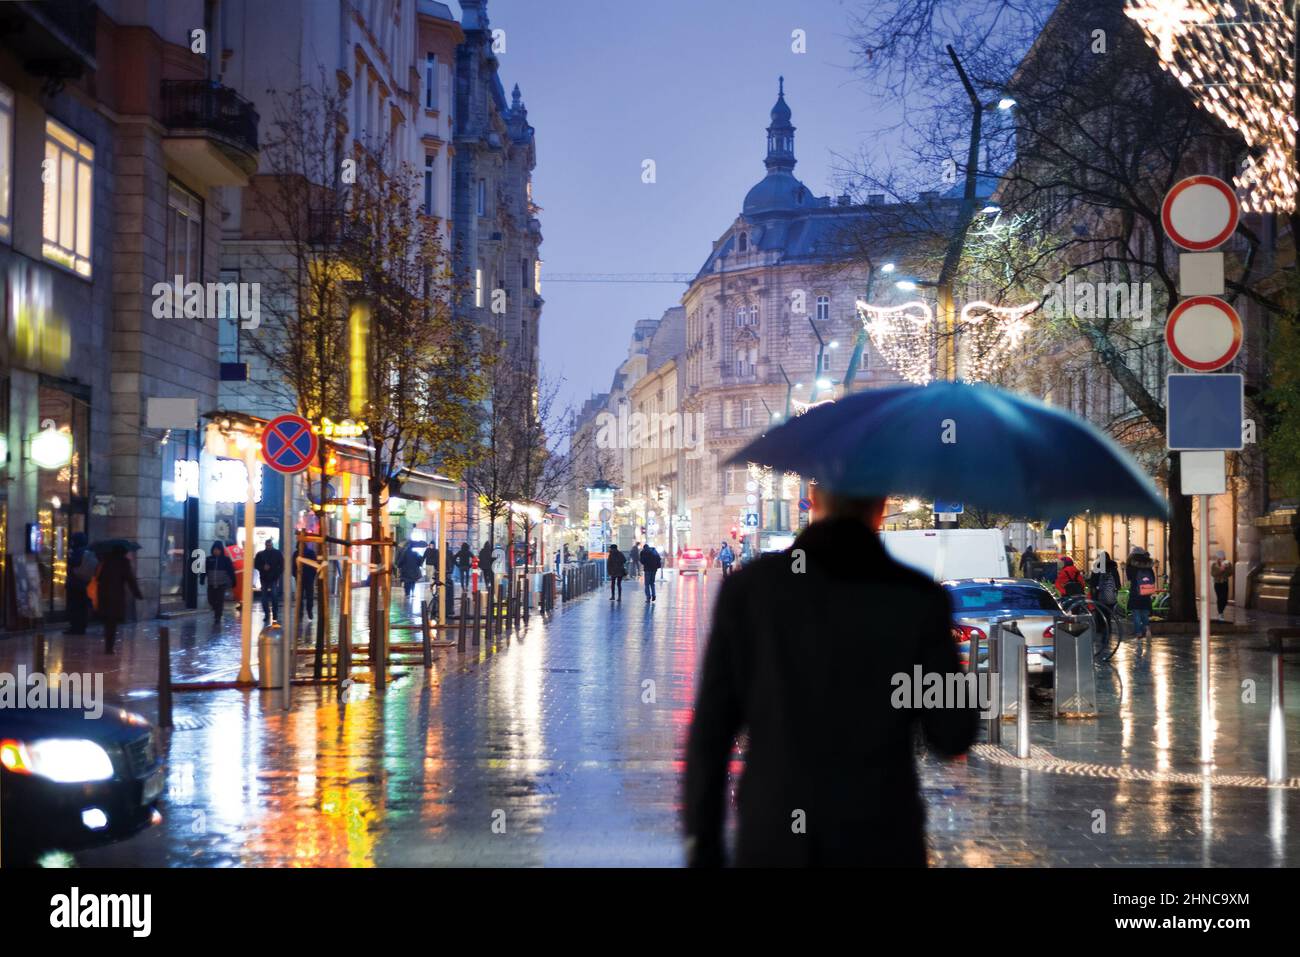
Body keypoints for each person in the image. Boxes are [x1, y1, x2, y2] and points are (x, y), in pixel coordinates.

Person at [684, 485, 978, 867]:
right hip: (880, 838)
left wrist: (704, 847)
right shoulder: (917, 598)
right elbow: (954, 733)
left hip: (774, 837)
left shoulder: (751, 590)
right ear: (881, 506)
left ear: (814, 499)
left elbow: (710, 733)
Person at [95, 544, 143, 655]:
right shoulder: (123, 562)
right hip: (116, 596)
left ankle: (108, 645)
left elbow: (98, 576)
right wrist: (137, 593)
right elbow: (130, 579)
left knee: (108, 622)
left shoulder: (105, 561)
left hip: (103, 594)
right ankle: (109, 648)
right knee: (112, 623)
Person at [64, 531, 94, 635]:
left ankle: (75, 627)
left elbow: (72, 564)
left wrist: (69, 556)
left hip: (74, 583)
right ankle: (82, 626)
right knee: (83, 606)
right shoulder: (89, 551)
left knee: (74, 606)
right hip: (85, 583)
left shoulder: (76, 551)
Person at [1126, 547, 1157, 639]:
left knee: (1136, 614)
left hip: (1135, 592)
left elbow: (1129, 578)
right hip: (1146, 593)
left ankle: (1138, 633)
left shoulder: (1131, 566)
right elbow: (1153, 579)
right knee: (1144, 614)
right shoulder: (1148, 566)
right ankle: (1147, 630)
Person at [205, 541, 236, 626]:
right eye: (215, 549)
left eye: (218, 550)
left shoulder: (226, 560)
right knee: (211, 600)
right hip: (211, 583)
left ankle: (217, 616)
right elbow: (204, 570)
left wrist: (233, 581)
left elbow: (231, 571)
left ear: (221, 550)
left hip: (221, 584)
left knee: (219, 600)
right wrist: (202, 578)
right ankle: (216, 610)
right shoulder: (209, 559)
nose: (216, 551)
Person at [253, 538, 284, 623]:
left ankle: (274, 613)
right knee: (265, 597)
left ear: (272, 545)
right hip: (265, 578)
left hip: (272, 577)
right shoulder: (261, 554)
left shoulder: (276, 553)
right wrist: (263, 568)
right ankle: (268, 614)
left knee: (273, 596)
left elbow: (281, 565)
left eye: (270, 545)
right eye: (267, 545)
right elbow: (256, 564)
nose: (269, 547)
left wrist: (276, 573)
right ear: (266, 545)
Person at [1088, 549, 1120, 616]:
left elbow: (1092, 583)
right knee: (1109, 615)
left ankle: (1101, 626)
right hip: (1111, 596)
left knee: (1100, 615)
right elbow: (1118, 583)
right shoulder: (1113, 568)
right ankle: (1108, 625)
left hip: (1099, 596)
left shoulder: (1097, 568)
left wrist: (1093, 596)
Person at [1211, 550, 1232, 621]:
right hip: (1217, 583)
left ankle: (1221, 610)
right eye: (1220, 557)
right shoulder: (1214, 564)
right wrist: (1220, 570)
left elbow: (1230, 573)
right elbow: (1213, 574)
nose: (1221, 558)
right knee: (1220, 598)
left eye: (1222, 557)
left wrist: (1226, 569)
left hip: (1224, 583)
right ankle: (1220, 613)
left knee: (1225, 599)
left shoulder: (1228, 563)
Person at [300, 544, 318, 620]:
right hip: (306, 577)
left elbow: (314, 566)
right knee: (308, 596)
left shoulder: (310, 553)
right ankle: (306, 612)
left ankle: (305, 612)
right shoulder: (310, 552)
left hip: (306, 577)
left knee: (306, 596)